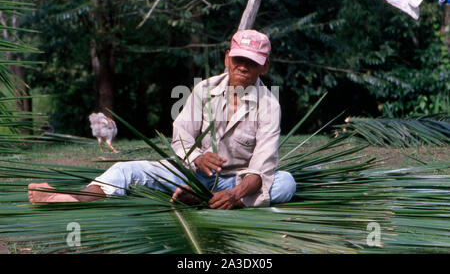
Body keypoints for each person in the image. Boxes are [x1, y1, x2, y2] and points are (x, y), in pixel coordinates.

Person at [27, 30, 297, 209]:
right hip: (191, 174)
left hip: (235, 181)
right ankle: (70, 198)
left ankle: (204, 201)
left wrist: (235, 193)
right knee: (125, 170)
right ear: (227, 58)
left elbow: (262, 167)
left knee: (285, 183)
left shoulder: (269, 105)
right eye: (238, 58)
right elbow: (181, 135)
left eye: (252, 62)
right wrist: (197, 158)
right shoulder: (204, 89)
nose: (242, 66)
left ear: (265, 66)